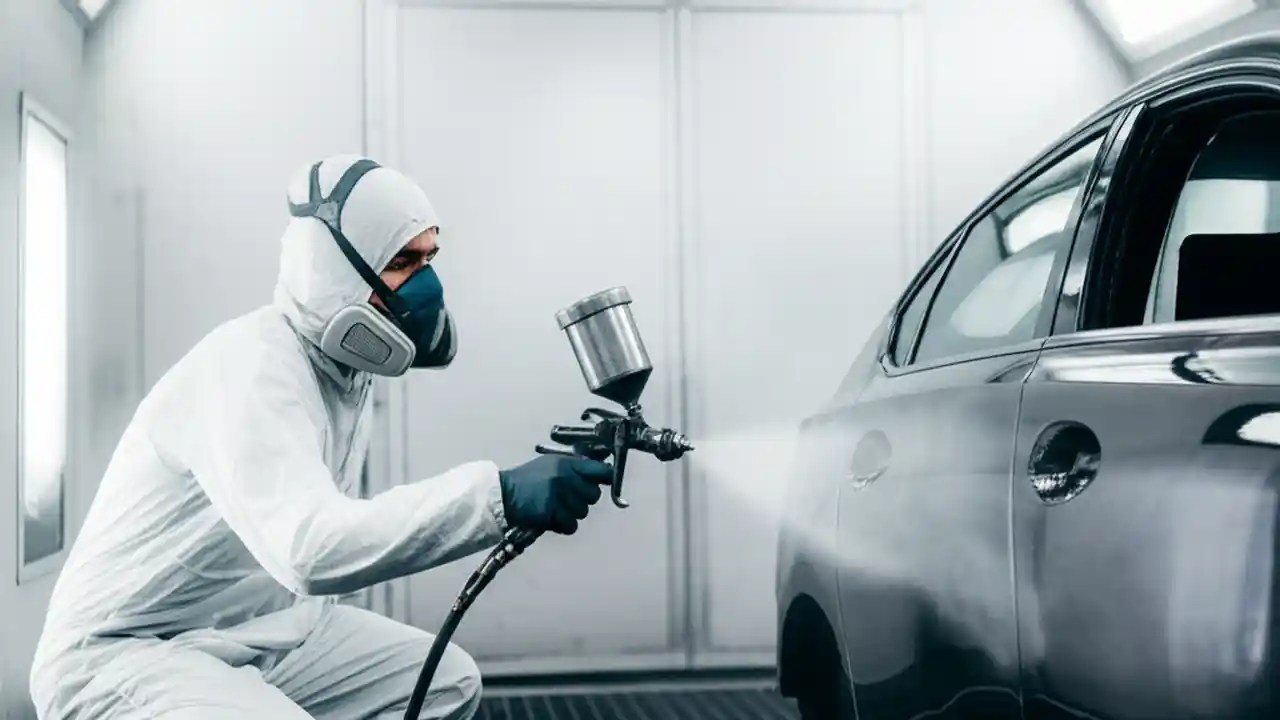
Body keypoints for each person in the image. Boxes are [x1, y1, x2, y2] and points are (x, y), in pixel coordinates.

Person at [29, 155, 612, 720]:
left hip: (261, 632)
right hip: (128, 653)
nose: (426, 287)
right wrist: (499, 495)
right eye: (405, 263)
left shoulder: (341, 374)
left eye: (430, 259)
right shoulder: (252, 367)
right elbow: (310, 549)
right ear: (335, 273)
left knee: (444, 684)